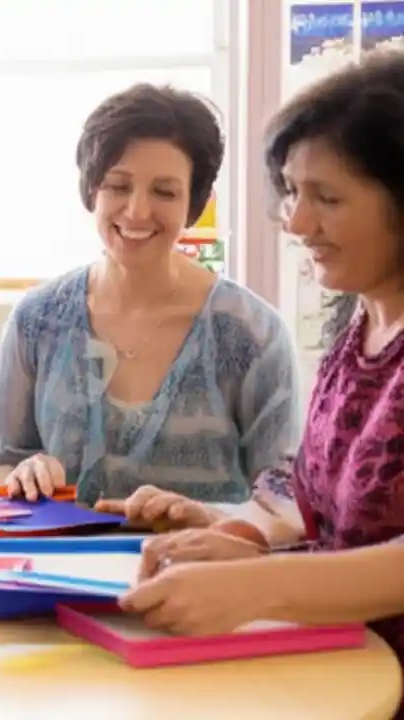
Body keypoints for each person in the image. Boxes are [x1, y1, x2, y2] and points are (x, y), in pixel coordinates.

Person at [119, 53, 404, 708]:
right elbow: (311, 491)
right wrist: (238, 534)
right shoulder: (360, 328)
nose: (298, 223)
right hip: (341, 671)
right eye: (294, 192)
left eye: (328, 198)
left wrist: (262, 583)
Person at [0, 83, 299, 513]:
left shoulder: (251, 331)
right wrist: (22, 472)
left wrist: (208, 519)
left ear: (194, 204)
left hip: (205, 575)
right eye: (118, 186)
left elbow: (285, 497)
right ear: (91, 191)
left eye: (165, 192)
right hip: (59, 573)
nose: (137, 211)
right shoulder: (37, 320)